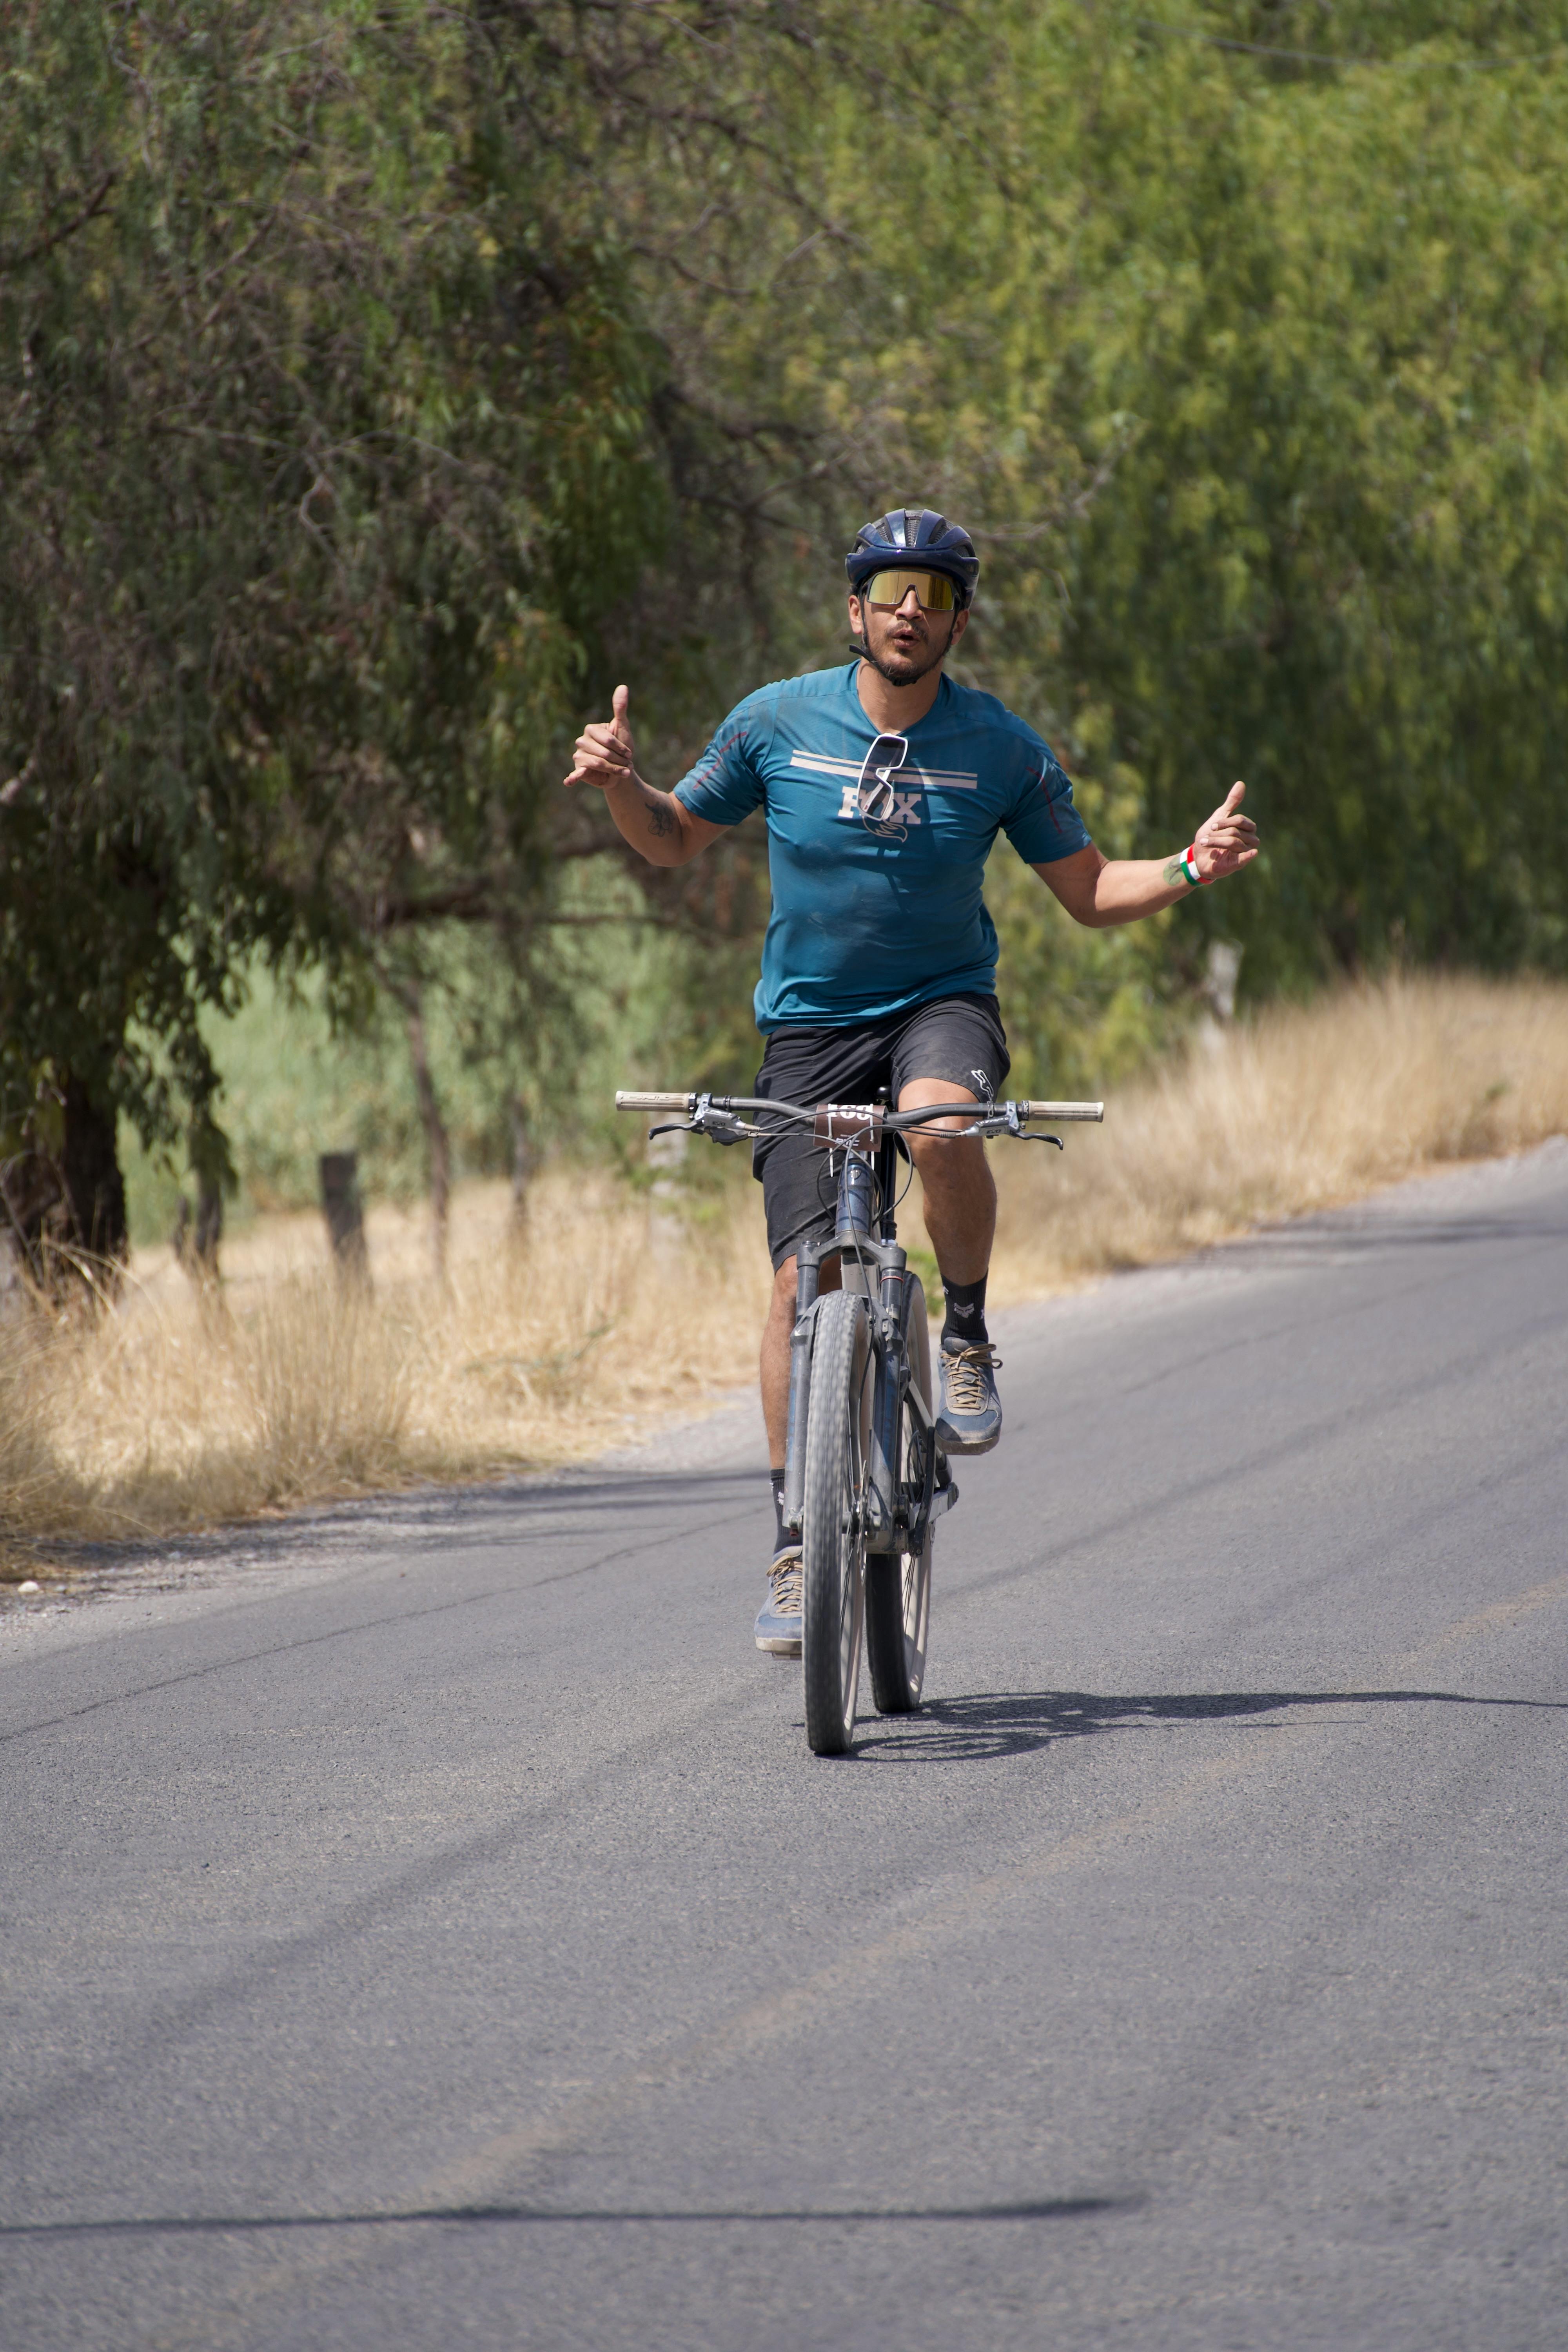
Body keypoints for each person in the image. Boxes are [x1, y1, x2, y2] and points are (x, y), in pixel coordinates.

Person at [564, 508, 1258, 1654]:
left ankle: (968, 1333)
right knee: (799, 1288)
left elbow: (1086, 892)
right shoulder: (776, 722)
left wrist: (1190, 864)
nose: (908, 611)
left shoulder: (1001, 749)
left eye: (933, 596)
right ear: (855, 610)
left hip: (943, 1007)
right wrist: (620, 788)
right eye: (889, 592)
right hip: (809, 1030)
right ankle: (797, 1546)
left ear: (958, 620)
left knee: (941, 1127)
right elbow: (675, 838)